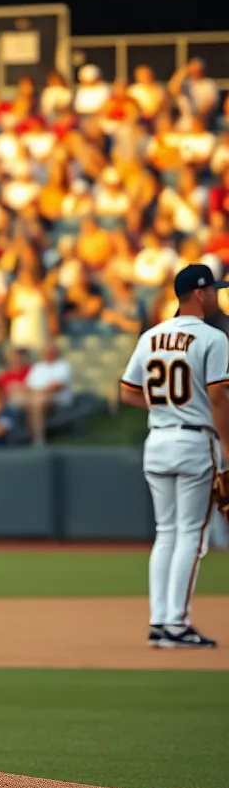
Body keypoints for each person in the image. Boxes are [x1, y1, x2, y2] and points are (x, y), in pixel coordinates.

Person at [120, 265, 229, 648]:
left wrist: (165, 407)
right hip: (195, 441)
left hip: (158, 440)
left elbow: (127, 391)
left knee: (165, 533)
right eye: (214, 289)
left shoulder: (151, 336)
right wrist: (228, 446)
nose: (217, 295)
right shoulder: (213, 338)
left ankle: (159, 621)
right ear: (199, 294)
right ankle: (177, 624)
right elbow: (217, 397)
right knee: (191, 537)